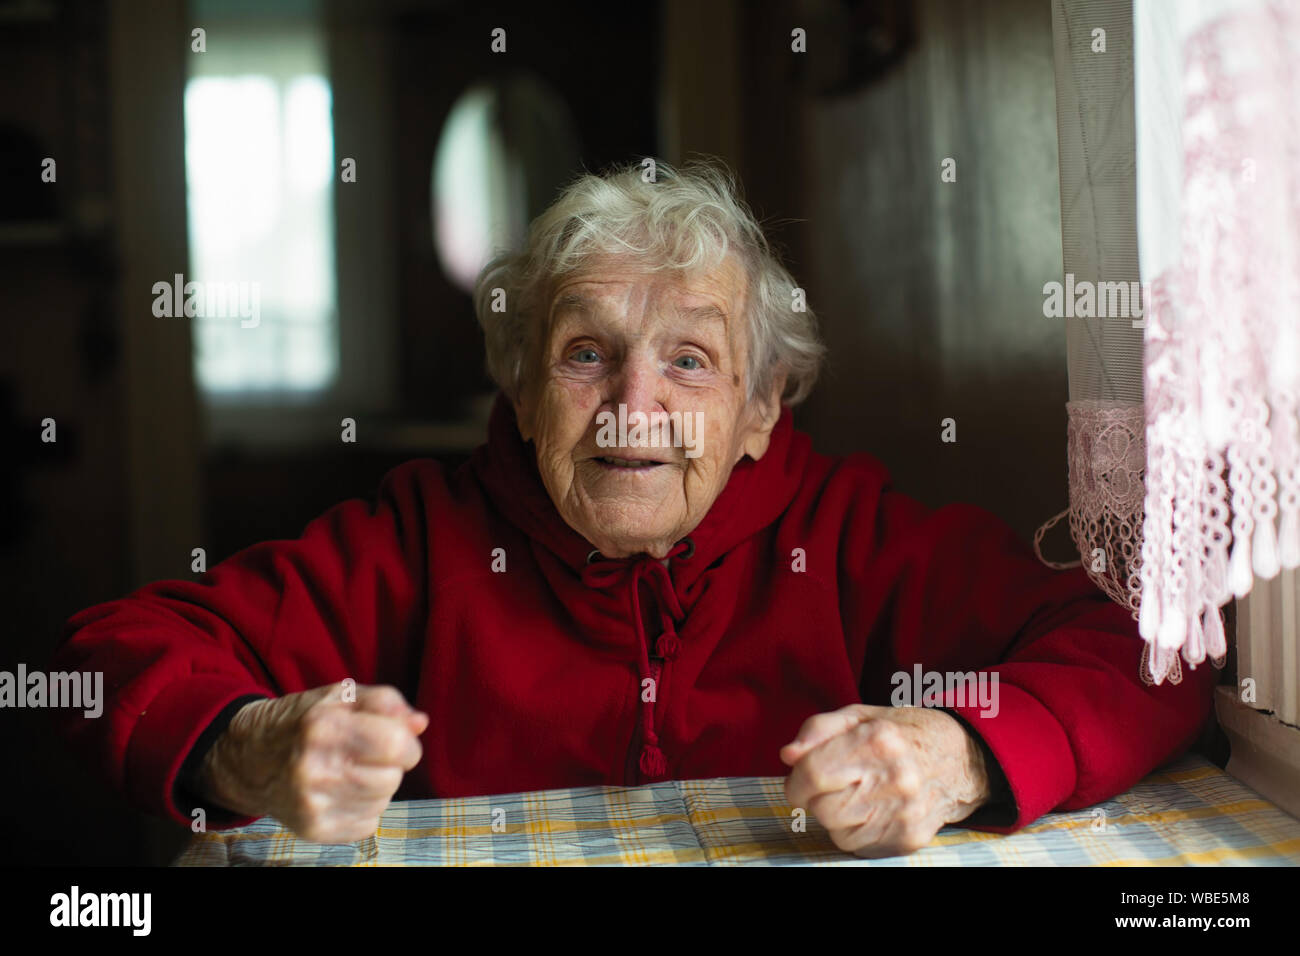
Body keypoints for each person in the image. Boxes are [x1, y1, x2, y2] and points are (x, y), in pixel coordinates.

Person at [53, 159, 1215, 858]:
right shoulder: (413, 543)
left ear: (763, 407)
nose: (634, 408)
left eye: (692, 363)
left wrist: (961, 751)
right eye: (585, 353)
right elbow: (109, 654)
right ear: (517, 382)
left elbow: (1149, 654)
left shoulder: (852, 537)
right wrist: (247, 749)